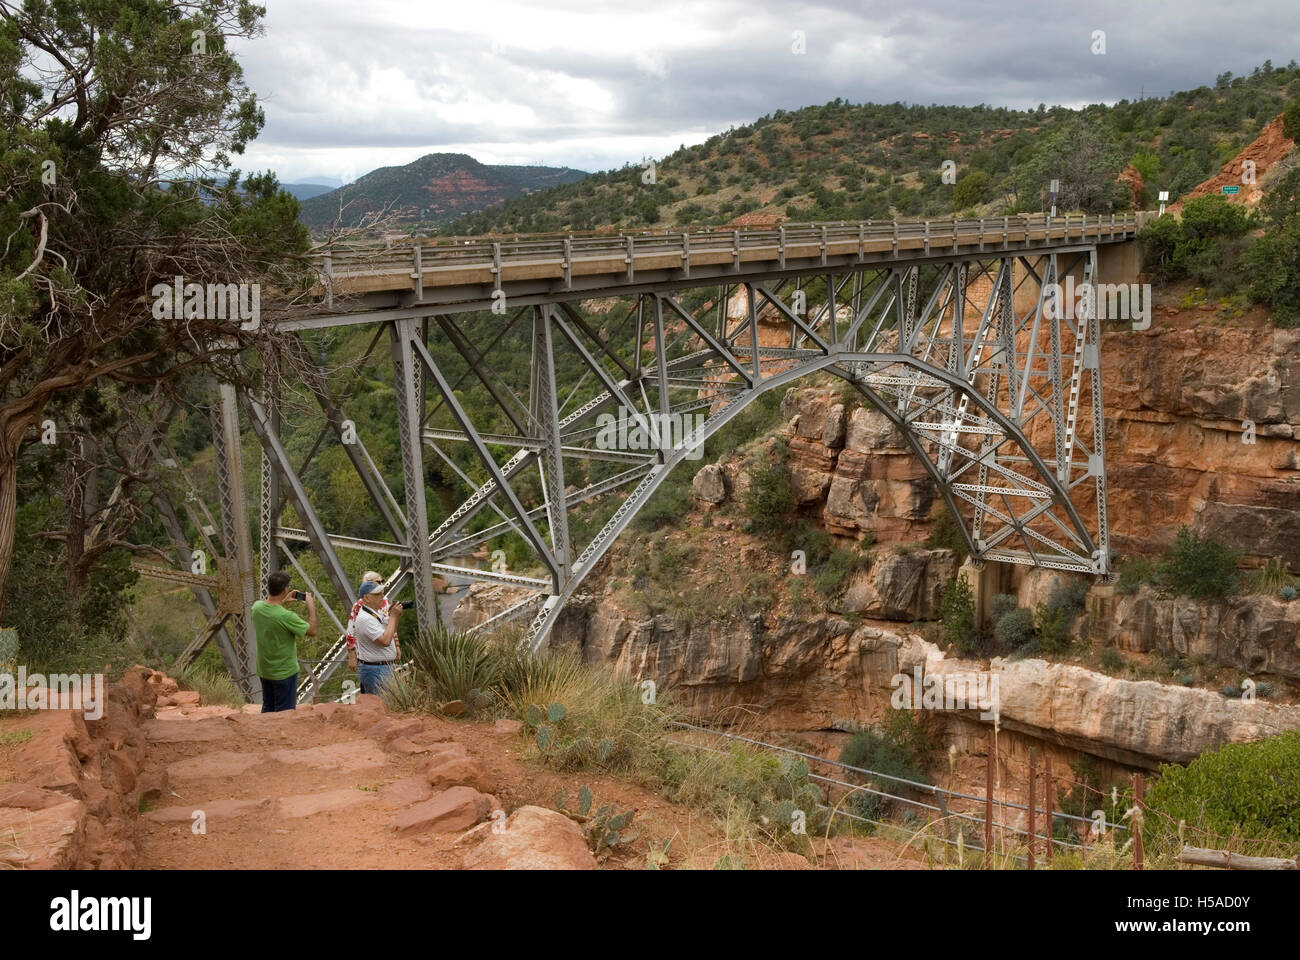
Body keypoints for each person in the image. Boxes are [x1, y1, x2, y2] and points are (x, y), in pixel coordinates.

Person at [251, 571, 318, 712]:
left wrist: (283, 600)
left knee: (268, 707)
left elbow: (272, 610)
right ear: (286, 589)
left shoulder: (256, 608)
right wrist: (311, 606)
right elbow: (312, 631)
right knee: (284, 713)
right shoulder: (287, 616)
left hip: (265, 670)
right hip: (284, 672)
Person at [353, 578, 403, 696]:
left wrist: (395, 616)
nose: (382, 596)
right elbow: (385, 641)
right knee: (381, 705)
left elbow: (391, 632)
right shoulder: (366, 619)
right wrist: (394, 617)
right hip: (376, 670)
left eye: (382, 593)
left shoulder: (375, 613)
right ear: (367, 598)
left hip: (382, 667)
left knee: (388, 705)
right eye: (378, 594)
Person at [344, 571, 394, 672]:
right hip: (371, 656)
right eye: (377, 582)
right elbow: (351, 630)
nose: (381, 585)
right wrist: (352, 655)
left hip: (386, 655)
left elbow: (391, 626)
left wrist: (396, 646)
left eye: (382, 581)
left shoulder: (386, 602)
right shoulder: (359, 606)